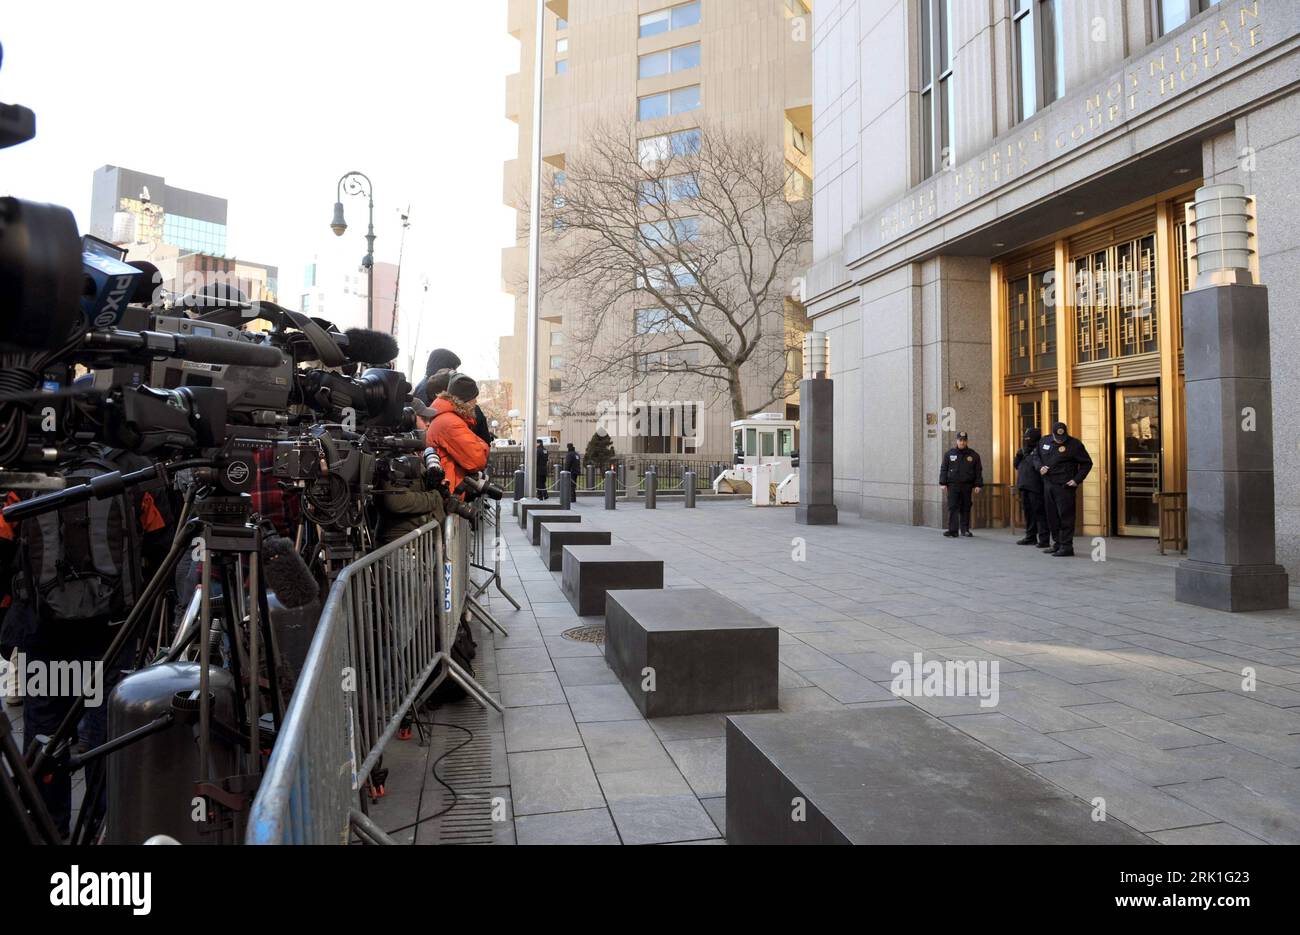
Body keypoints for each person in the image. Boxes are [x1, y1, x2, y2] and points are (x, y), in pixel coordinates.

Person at [1031, 421, 1093, 557]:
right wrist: (1040, 467)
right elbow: (1035, 456)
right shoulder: (1044, 441)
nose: (1060, 441)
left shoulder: (1074, 444)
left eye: (1062, 438)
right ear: (1053, 434)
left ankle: (1067, 546)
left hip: (1065, 486)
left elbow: (1087, 463)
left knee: (1066, 517)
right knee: (1052, 516)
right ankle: (1057, 543)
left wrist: (1076, 480)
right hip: (1048, 484)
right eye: (1058, 438)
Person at [426, 373, 490, 499]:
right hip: (450, 492)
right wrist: (482, 446)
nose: (475, 402)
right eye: (473, 398)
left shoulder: (447, 419)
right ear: (465, 400)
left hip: (447, 489)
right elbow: (477, 459)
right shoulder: (451, 422)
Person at [938, 431, 983, 538]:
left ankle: (965, 530)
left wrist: (978, 485)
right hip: (953, 486)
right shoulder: (949, 454)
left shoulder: (974, 455)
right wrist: (942, 483)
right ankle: (953, 531)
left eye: (964, 440)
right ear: (956, 441)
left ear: (967, 441)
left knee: (965, 507)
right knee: (953, 507)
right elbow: (944, 469)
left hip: (967, 486)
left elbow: (978, 471)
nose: (962, 442)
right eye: (960, 440)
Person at [1013, 427, 1051, 549]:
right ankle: (1030, 537)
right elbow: (1016, 465)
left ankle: (1044, 539)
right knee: (1028, 513)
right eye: (1025, 438)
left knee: (1039, 513)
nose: (1026, 440)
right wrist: (1018, 456)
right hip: (1024, 486)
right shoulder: (1023, 450)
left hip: (1036, 487)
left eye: (1028, 438)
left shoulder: (1041, 450)